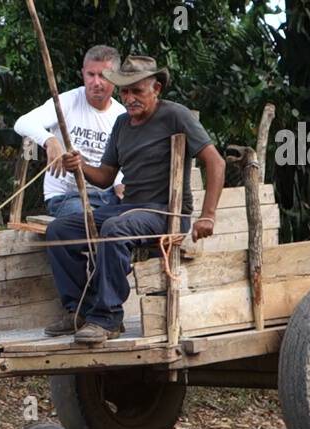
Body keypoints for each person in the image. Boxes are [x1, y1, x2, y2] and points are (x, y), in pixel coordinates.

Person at [46, 55, 226, 344]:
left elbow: (216, 162)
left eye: (137, 91)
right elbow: (106, 176)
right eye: (124, 92)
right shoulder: (121, 124)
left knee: (115, 228)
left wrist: (208, 216)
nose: (129, 98)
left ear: (156, 88)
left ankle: (108, 318)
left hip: (166, 212)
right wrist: (80, 166)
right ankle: (81, 309)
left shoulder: (176, 116)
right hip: (130, 207)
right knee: (59, 231)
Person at [13, 44, 127, 220]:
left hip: (107, 198)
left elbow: (121, 162)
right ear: (83, 73)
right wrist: (50, 140)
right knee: (87, 223)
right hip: (65, 197)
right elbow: (22, 122)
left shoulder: (121, 115)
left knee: (129, 220)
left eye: (104, 76)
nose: (96, 82)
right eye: (91, 74)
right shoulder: (66, 102)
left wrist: (120, 184)